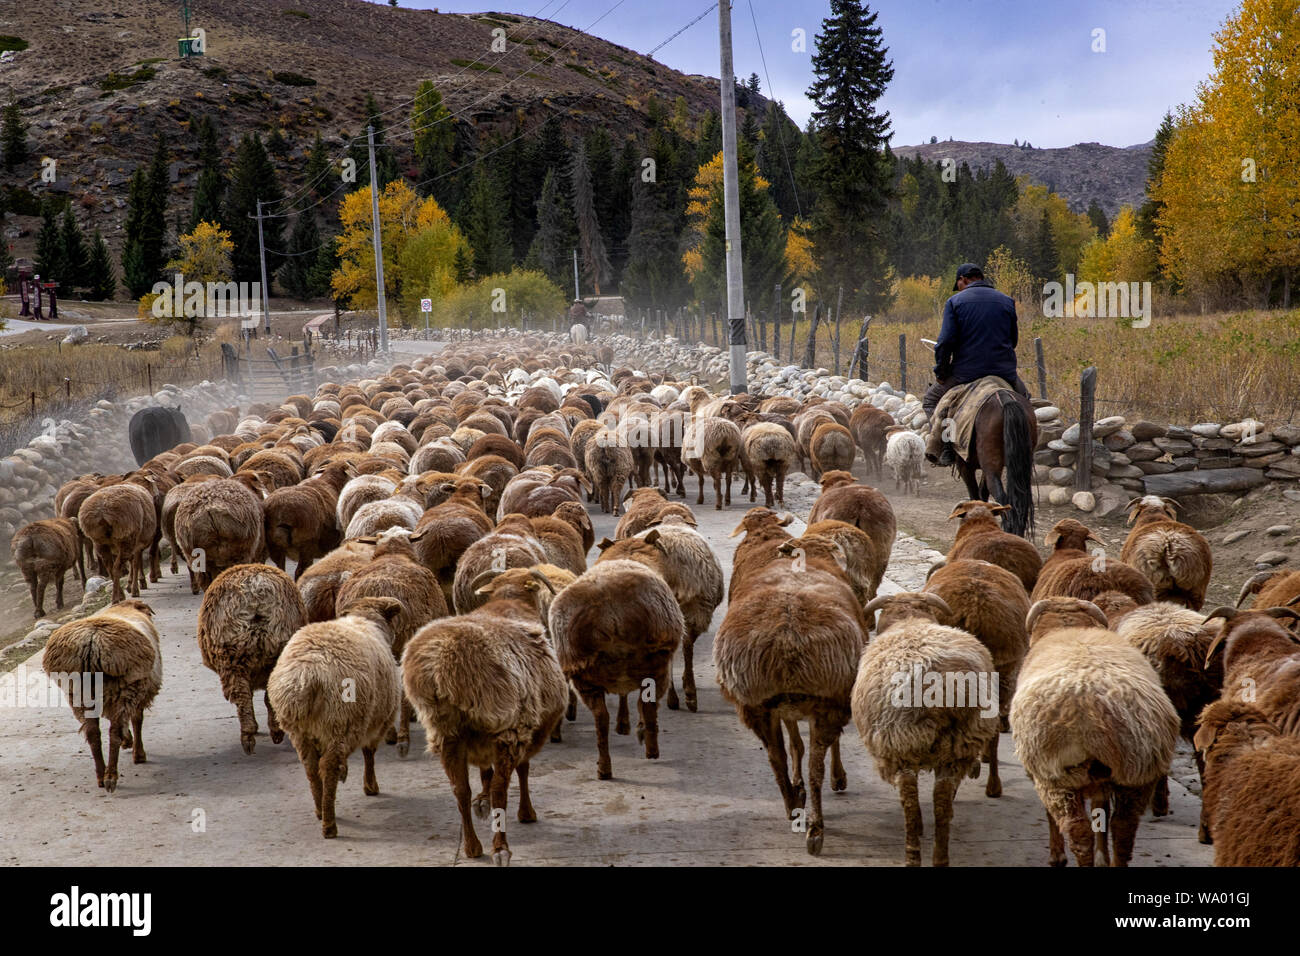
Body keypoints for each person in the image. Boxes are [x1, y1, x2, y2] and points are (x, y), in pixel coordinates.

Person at [923, 263, 1032, 466]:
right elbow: (1013, 340)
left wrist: (941, 370)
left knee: (931, 400)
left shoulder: (955, 302)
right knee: (1024, 399)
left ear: (963, 279)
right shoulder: (1007, 301)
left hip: (966, 373)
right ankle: (1027, 445)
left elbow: (945, 342)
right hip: (1003, 372)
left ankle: (946, 446)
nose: (960, 287)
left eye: (959, 284)